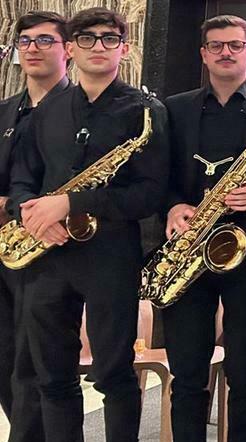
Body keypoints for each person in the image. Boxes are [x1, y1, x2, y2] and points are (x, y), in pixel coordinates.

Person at [5, 7, 170, 441]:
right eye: (88, 38)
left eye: (109, 39)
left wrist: (70, 203)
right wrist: (31, 212)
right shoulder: (47, 110)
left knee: (115, 375)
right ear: (72, 49)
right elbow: (23, 179)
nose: (99, 46)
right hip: (48, 255)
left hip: (110, 257)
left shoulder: (146, 111)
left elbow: (150, 194)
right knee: (51, 377)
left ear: (125, 47)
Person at [159, 15, 246, 442]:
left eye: (235, 45)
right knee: (188, 374)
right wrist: (172, 207)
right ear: (203, 54)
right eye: (216, 45)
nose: (226, 52)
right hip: (188, 252)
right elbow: (158, 177)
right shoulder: (173, 109)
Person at [0, 10, 68, 442]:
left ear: (68, 50)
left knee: (33, 366)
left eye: (45, 40)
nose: (33, 49)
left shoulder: (84, 110)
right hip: (3, 251)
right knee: (4, 360)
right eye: (25, 42)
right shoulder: (5, 111)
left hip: (49, 254)